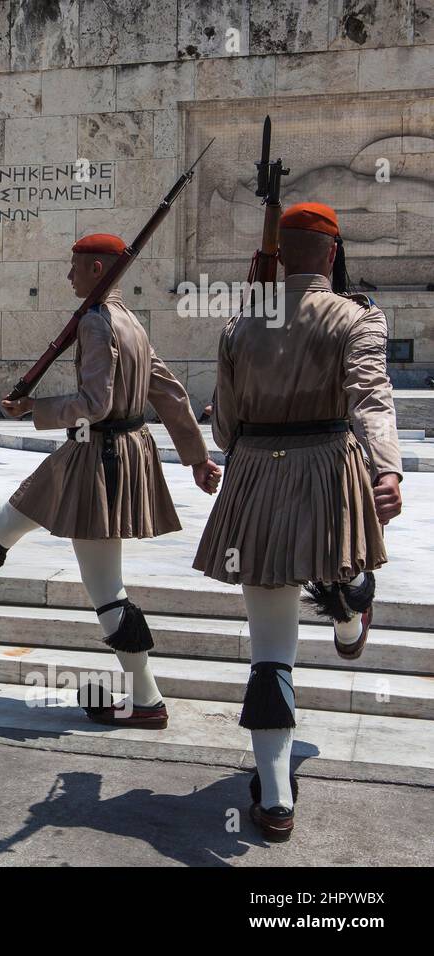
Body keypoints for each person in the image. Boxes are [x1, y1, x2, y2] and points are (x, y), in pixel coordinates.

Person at [0, 233, 221, 729]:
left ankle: (147, 700)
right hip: (99, 454)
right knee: (5, 527)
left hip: (98, 458)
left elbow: (96, 404)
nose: (67, 274)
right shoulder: (130, 323)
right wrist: (197, 457)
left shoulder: (99, 323)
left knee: (106, 591)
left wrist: (35, 408)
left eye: (75, 265)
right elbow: (170, 392)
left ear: (98, 269)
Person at [193, 202, 403, 842]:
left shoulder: (239, 325)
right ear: (333, 254)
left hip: (256, 475)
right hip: (326, 472)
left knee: (269, 651)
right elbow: (371, 396)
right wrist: (386, 468)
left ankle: (277, 799)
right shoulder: (356, 316)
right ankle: (346, 611)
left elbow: (223, 427)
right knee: (335, 566)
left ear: (279, 255)